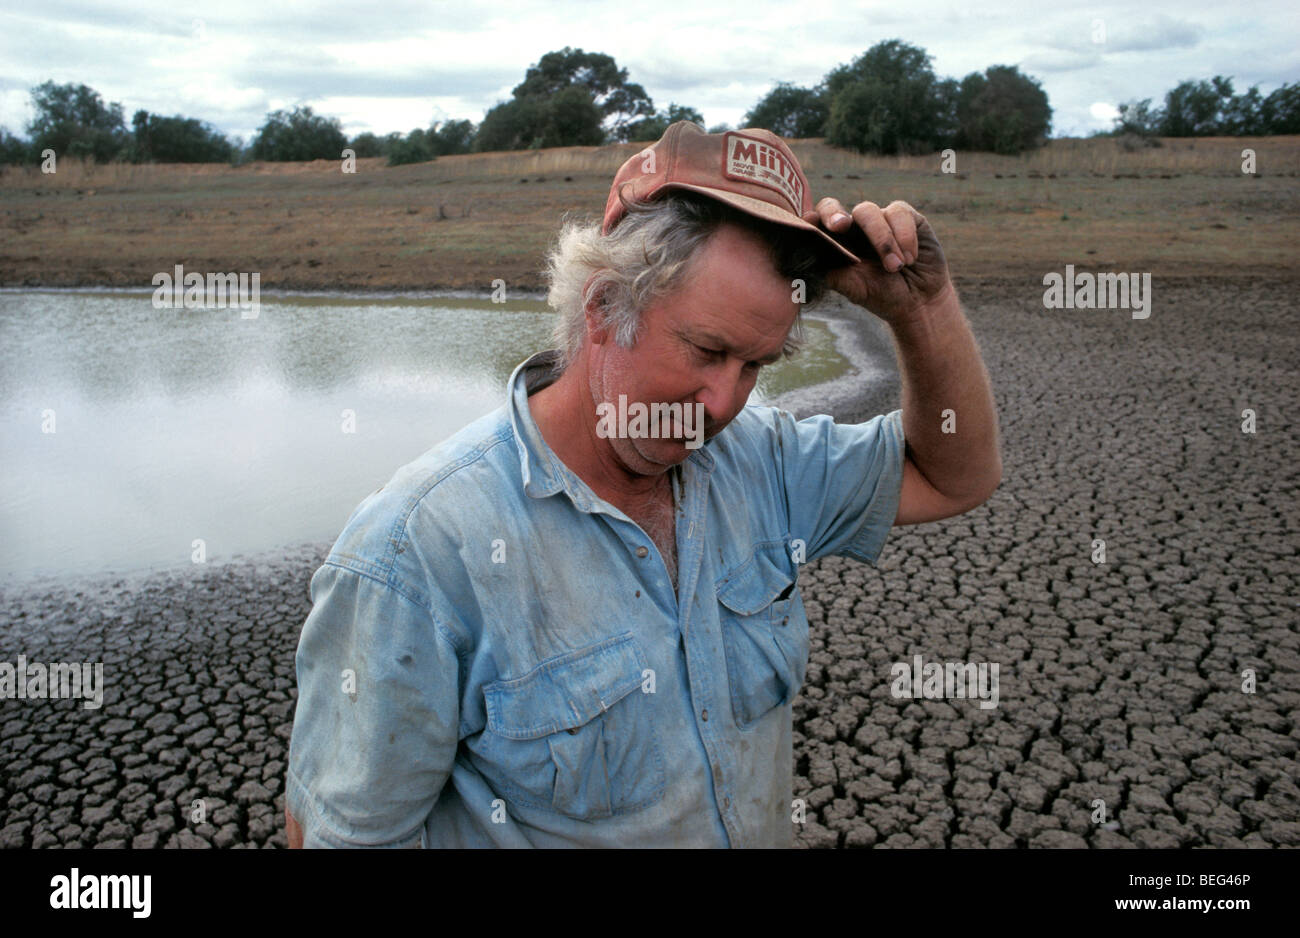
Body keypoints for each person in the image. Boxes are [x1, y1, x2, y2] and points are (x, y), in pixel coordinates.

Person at [284, 121, 1000, 847]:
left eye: (755, 365)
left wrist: (922, 309)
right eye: (706, 349)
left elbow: (951, 475)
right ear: (603, 309)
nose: (724, 404)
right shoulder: (419, 551)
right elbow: (343, 834)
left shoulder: (762, 460)